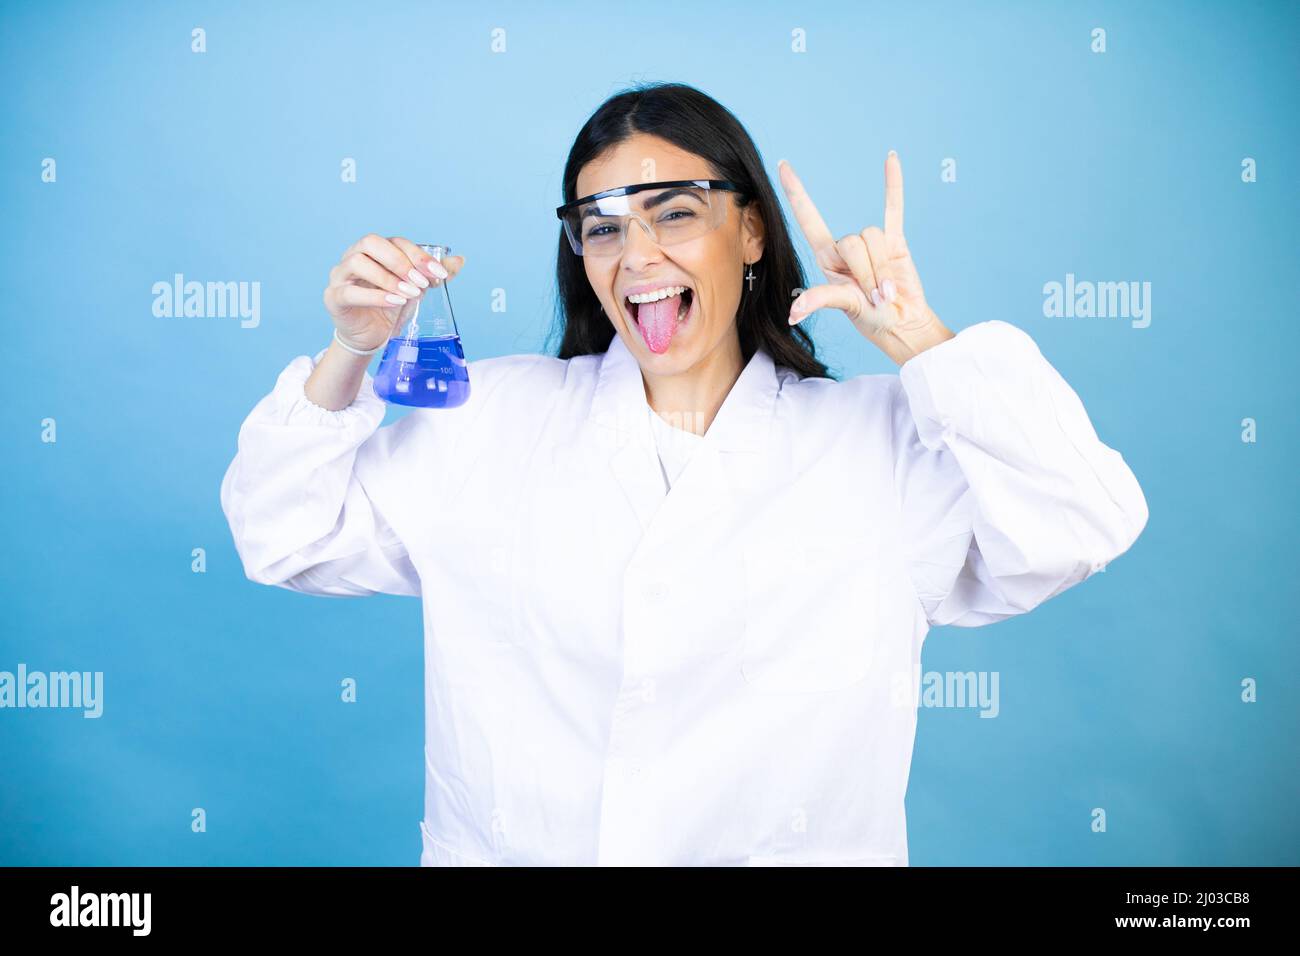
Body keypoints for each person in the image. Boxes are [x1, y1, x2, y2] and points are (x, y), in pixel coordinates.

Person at [220, 82, 1148, 866]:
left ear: (750, 233)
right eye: (603, 228)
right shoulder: (489, 422)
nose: (638, 255)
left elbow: (1082, 524)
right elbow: (283, 535)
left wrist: (924, 345)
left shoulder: (886, 446)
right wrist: (349, 350)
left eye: (674, 212)